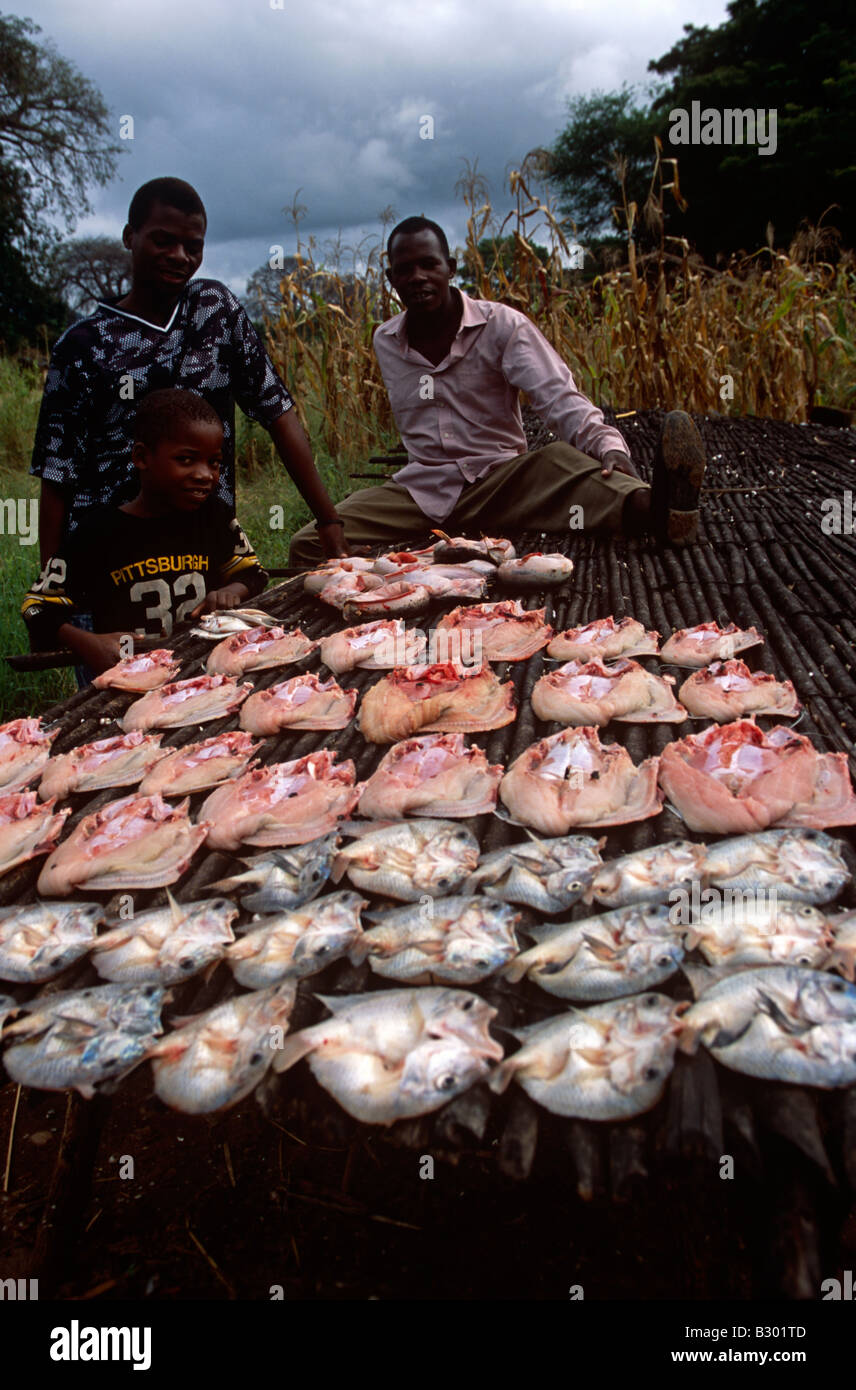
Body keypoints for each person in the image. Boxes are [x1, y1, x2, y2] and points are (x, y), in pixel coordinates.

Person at [288, 216, 705, 568]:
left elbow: (559, 398)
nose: (417, 278)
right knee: (307, 543)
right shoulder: (386, 340)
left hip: (504, 480)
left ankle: (661, 509)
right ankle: (354, 575)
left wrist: (609, 447)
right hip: (422, 491)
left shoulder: (502, 325)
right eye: (404, 269)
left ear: (450, 267)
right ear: (390, 278)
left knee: (564, 462)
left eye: (428, 265)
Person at [31, 176, 347, 566]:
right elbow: (58, 472)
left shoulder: (214, 310)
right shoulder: (82, 345)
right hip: (109, 559)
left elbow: (277, 414)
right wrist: (51, 588)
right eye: (163, 241)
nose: (179, 256)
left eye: (193, 246)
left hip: (205, 548)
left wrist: (328, 520)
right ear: (131, 236)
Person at [22, 389, 268, 676]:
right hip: (129, 678)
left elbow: (254, 573)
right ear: (141, 457)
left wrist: (231, 590)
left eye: (213, 462)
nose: (205, 475)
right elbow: (37, 608)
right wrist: (89, 643)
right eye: (186, 460)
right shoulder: (98, 532)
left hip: (204, 672)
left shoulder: (215, 516)